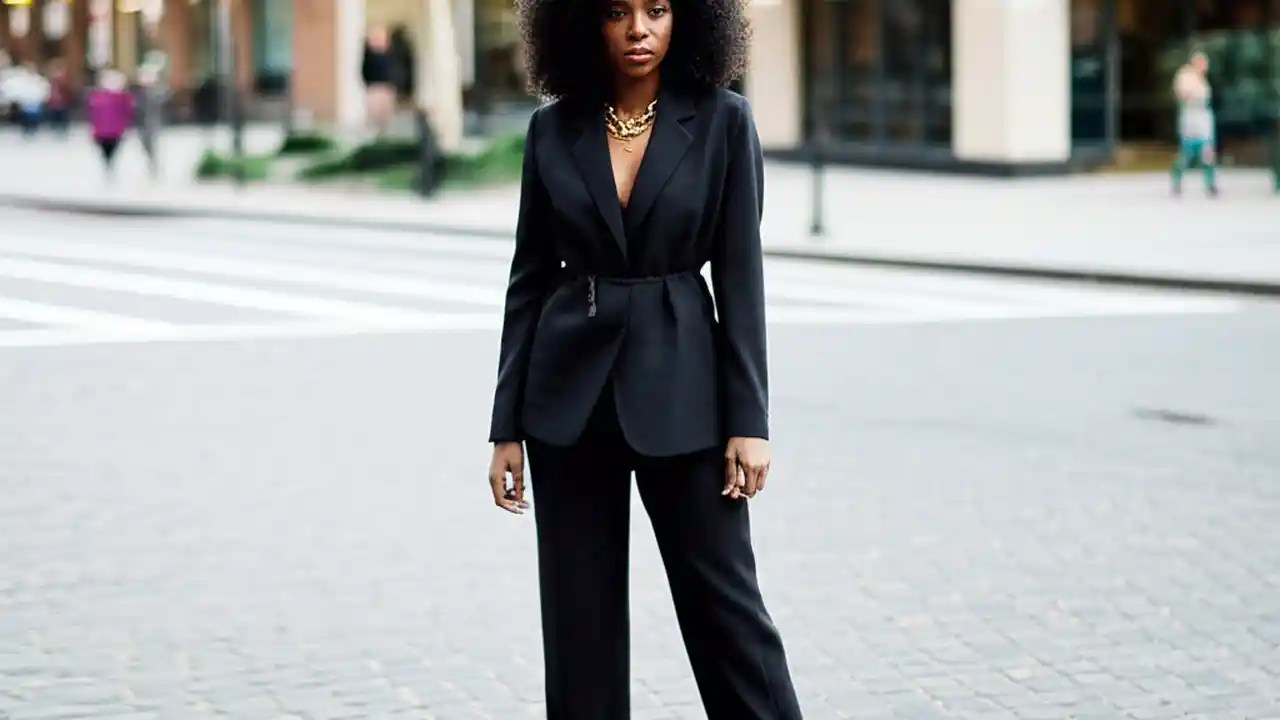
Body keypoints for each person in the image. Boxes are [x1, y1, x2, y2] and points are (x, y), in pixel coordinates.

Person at [485, 0, 804, 717]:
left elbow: (742, 281)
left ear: (687, 16)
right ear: (581, 23)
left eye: (657, 9)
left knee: (727, 613)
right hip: (567, 405)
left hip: (686, 398)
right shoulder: (552, 127)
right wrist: (506, 425)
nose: (639, 29)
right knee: (578, 628)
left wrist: (748, 420)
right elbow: (528, 279)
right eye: (616, 11)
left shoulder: (723, 120)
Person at [1172, 51, 1219, 197]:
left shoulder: (1203, 80)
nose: (1205, 66)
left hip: (1204, 120)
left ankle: (1210, 184)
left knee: (1208, 152)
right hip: (1190, 120)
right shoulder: (1185, 76)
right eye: (1202, 63)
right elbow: (1181, 94)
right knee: (1186, 154)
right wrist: (1189, 94)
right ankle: (1177, 181)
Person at [86, 69, 135, 181]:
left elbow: (128, 113)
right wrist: (93, 128)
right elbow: (92, 113)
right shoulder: (97, 96)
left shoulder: (122, 97)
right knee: (104, 151)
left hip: (116, 130)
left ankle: (109, 167)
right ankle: (107, 167)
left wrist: (126, 126)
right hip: (101, 131)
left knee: (112, 151)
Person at [360, 25, 396, 136]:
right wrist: (368, 83)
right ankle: (374, 134)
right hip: (374, 87)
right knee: (374, 114)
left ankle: (384, 134)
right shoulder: (369, 54)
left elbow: (395, 69)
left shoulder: (389, 53)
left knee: (385, 115)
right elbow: (364, 69)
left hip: (386, 87)